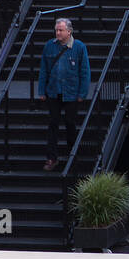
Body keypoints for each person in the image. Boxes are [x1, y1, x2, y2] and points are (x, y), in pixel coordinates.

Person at [37, 17, 91, 172]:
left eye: (60, 30)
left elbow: (85, 72)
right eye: (56, 30)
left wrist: (82, 93)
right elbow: (43, 70)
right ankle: (51, 158)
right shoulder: (49, 46)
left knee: (70, 123)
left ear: (69, 31)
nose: (58, 33)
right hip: (53, 91)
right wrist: (41, 90)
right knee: (53, 124)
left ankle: (72, 156)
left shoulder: (79, 47)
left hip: (71, 92)